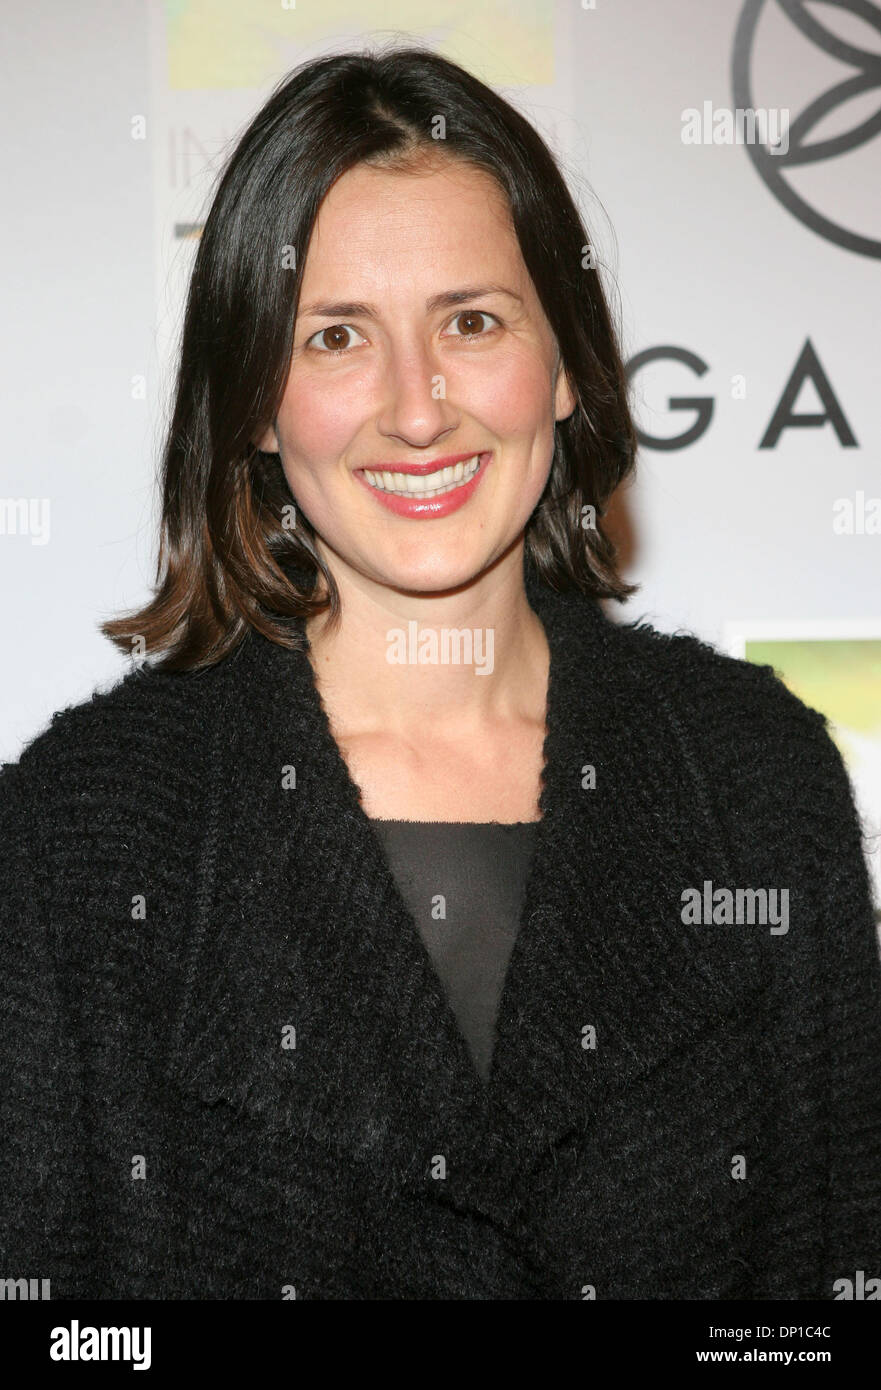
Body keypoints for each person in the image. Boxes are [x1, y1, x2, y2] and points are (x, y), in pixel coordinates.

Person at [2, 44, 879, 1301]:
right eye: (337, 336)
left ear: (565, 360)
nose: (418, 409)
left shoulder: (756, 786)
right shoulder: (84, 834)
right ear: (253, 398)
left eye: (471, 321)